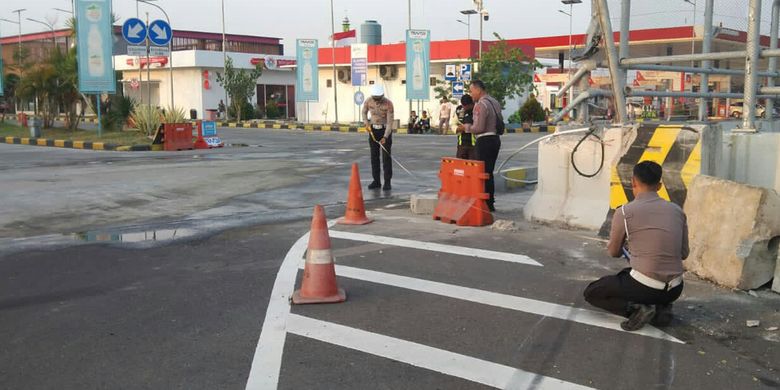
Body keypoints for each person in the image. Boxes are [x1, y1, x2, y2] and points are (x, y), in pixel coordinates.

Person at [583, 161, 689, 331]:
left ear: (633, 182)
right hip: (675, 288)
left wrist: (629, 247)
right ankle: (661, 309)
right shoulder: (677, 211)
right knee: (631, 275)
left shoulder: (625, 212)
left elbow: (613, 252)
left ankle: (638, 309)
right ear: (660, 186)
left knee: (593, 291)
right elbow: (684, 254)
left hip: (645, 287)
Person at [468, 80, 502, 212]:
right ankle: (490, 202)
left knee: (482, 173)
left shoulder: (480, 105)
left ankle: (484, 204)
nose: (471, 95)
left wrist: (467, 128)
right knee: (489, 173)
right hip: (495, 139)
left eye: (471, 91)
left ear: (478, 90)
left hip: (484, 140)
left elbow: (479, 127)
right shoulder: (494, 102)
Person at [362, 84, 395, 191]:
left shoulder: (388, 104)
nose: (376, 100)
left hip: (384, 130)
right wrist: (366, 122)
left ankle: (387, 182)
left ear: (382, 96)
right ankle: (376, 181)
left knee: (386, 158)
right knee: (374, 157)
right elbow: (364, 112)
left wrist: (385, 136)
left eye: (378, 98)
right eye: (375, 98)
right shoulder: (368, 101)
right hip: (373, 131)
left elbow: (390, 123)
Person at [455, 94, 477, 160]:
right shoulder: (459, 110)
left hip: (474, 145)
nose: (464, 108)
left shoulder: (477, 110)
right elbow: (453, 123)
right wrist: (457, 129)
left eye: (466, 106)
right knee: (460, 167)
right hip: (462, 144)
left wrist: (468, 127)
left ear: (471, 104)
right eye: (463, 106)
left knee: (473, 167)